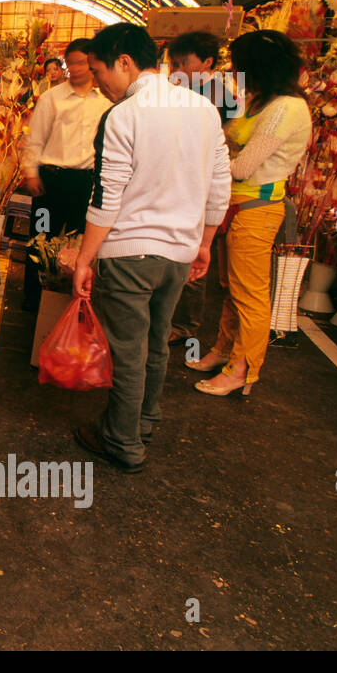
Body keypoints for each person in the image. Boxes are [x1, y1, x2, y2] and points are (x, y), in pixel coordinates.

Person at [71, 23, 231, 473]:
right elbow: (220, 183)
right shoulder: (203, 108)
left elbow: (107, 195)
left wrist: (84, 259)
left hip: (129, 254)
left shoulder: (125, 115)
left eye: (101, 71)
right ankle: (144, 421)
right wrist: (204, 242)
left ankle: (121, 441)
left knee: (128, 351)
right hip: (178, 254)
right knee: (156, 344)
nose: (100, 82)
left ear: (125, 62)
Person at [186, 30, 312, 396]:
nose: (233, 72)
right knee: (231, 287)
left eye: (238, 66)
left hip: (257, 208)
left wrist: (210, 155)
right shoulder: (262, 101)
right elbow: (231, 143)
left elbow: (243, 168)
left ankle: (242, 370)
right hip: (236, 205)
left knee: (250, 294)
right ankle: (223, 351)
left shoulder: (286, 108)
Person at [20, 39, 111, 311]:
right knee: (41, 237)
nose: (76, 68)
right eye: (70, 63)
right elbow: (34, 138)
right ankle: (33, 300)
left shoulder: (105, 101)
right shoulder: (52, 98)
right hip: (52, 181)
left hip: (86, 182)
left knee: (79, 242)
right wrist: (31, 172)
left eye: (82, 62)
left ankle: (71, 301)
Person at [165, 30, 239, 346]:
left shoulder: (217, 96)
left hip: (200, 183)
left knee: (193, 251)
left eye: (182, 63)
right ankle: (173, 317)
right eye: (172, 64)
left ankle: (185, 324)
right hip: (180, 180)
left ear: (207, 62)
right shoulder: (177, 93)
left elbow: (222, 142)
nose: (175, 71)